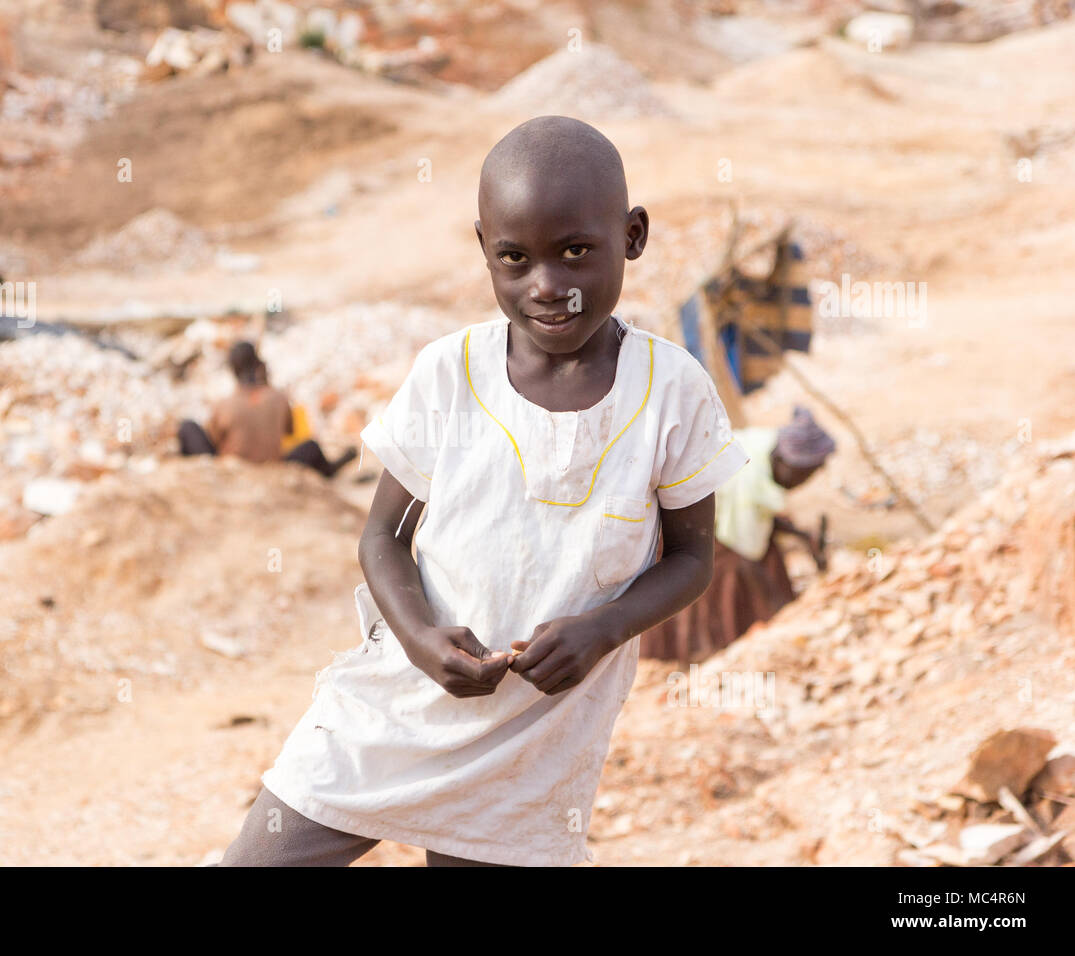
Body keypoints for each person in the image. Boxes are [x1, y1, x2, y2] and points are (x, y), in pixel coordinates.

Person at [217, 116, 749, 867]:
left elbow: (693, 558)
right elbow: (382, 538)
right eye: (515, 258)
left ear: (631, 236)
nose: (548, 285)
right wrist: (420, 638)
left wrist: (604, 629)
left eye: (575, 252)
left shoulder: (671, 392)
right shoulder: (448, 374)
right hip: (395, 706)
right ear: (483, 250)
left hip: (537, 741)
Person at [638, 405, 836, 663]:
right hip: (684, 527)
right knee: (730, 569)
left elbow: (762, 520)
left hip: (713, 521)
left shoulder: (763, 447)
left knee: (764, 553)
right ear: (783, 461)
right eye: (800, 475)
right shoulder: (746, 477)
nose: (801, 483)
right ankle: (717, 645)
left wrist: (799, 534)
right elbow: (743, 544)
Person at [177, 341, 356, 478]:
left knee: (187, 426)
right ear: (258, 363)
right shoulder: (278, 397)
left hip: (233, 470)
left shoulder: (225, 404)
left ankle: (191, 476)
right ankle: (329, 470)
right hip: (275, 466)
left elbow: (214, 440)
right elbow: (290, 432)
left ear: (232, 369)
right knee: (311, 446)